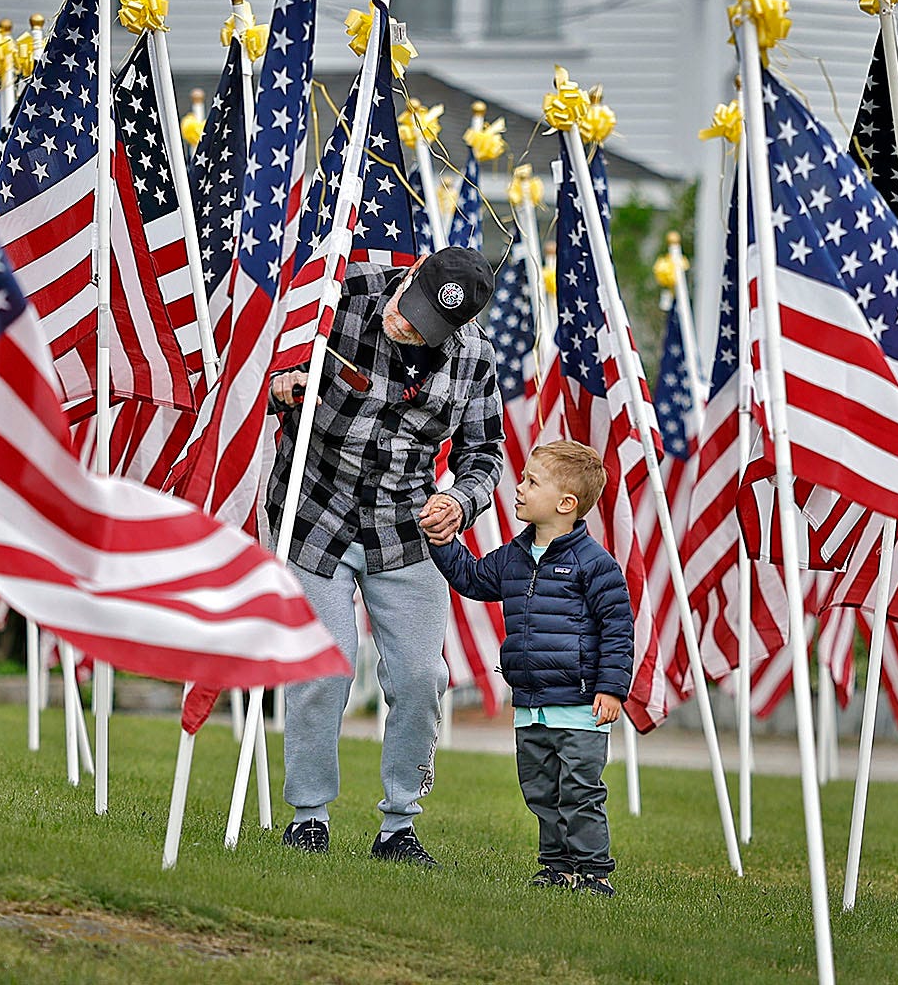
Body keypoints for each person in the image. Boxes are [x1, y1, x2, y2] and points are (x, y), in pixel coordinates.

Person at [267, 247, 504, 866]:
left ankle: (399, 825)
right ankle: (308, 817)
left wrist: (460, 499)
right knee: (325, 667)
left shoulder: (475, 357)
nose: (407, 326)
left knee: (424, 677)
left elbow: (486, 454)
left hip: (406, 529)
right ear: (413, 273)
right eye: (410, 310)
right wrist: (283, 384)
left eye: (428, 326)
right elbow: (261, 361)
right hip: (315, 513)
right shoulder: (339, 295)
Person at [427, 440, 633, 896]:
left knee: (579, 792)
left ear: (565, 503)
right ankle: (557, 868)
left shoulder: (594, 565)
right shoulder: (515, 556)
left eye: (530, 482)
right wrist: (443, 541)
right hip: (531, 706)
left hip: (580, 706)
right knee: (540, 791)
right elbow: (473, 578)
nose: (517, 488)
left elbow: (618, 628)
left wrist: (613, 688)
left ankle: (594, 872)